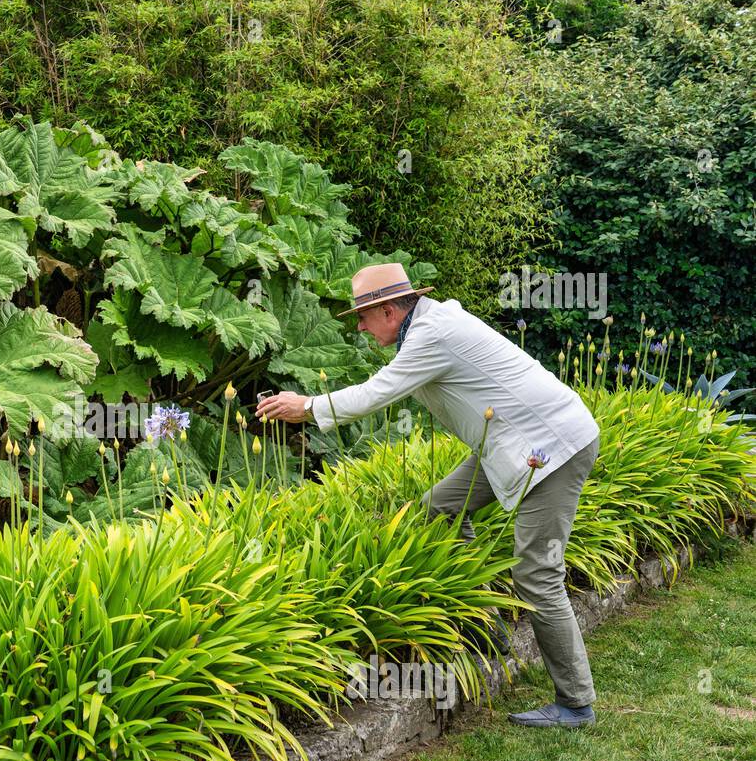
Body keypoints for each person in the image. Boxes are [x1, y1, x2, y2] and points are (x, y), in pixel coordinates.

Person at [256, 263, 601, 728]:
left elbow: (377, 393)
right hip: (512, 443)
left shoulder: (431, 335)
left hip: (548, 448)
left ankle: (575, 703)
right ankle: (487, 624)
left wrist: (309, 406)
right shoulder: (431, 324)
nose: (358, 326)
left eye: (362, 316)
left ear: (390, 310)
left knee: (537, 573)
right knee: (438, 508)